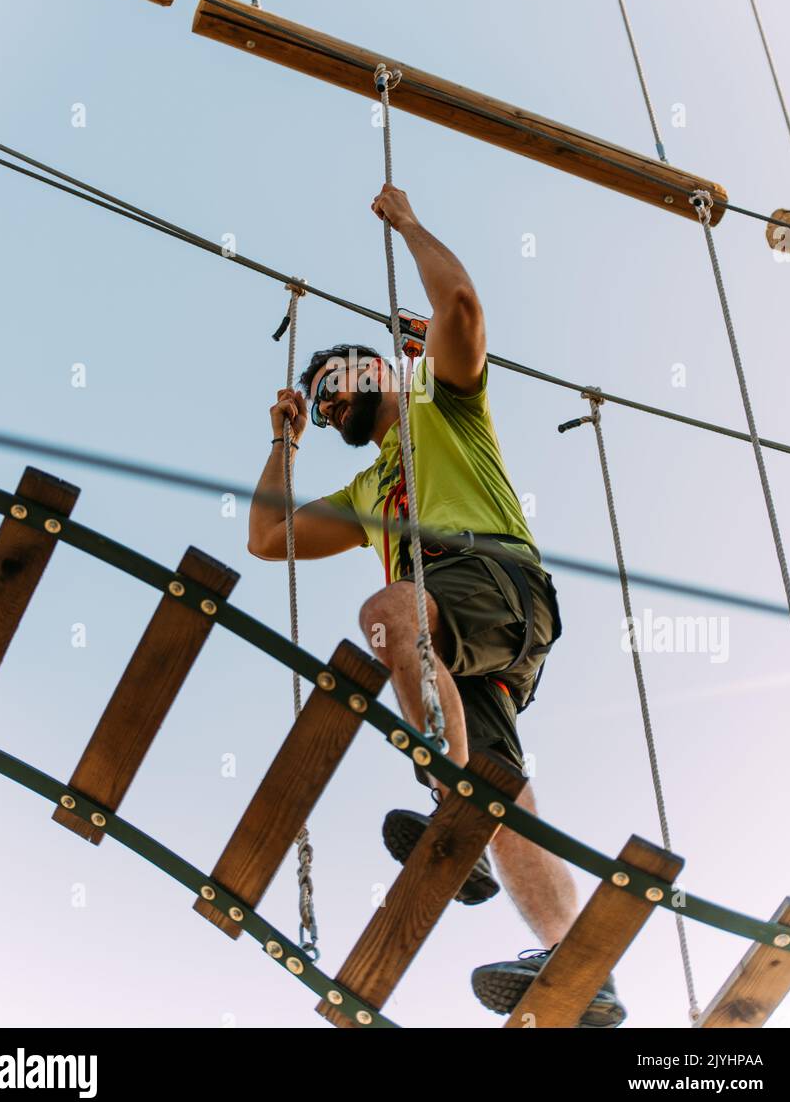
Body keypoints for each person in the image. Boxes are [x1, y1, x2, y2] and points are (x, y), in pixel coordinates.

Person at [247, 182, 626, 1027]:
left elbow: (458, 303)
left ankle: (448, 793)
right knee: (503, 798)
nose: (327, 397)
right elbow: (268, 541)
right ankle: (578, 960)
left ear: (383, 368)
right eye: (319, 397)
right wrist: (284, 437)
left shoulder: (441, 404)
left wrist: (408, 225)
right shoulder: (362, 487)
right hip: (469, 649)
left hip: (489, 585)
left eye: (336, 380)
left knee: (386, 613)